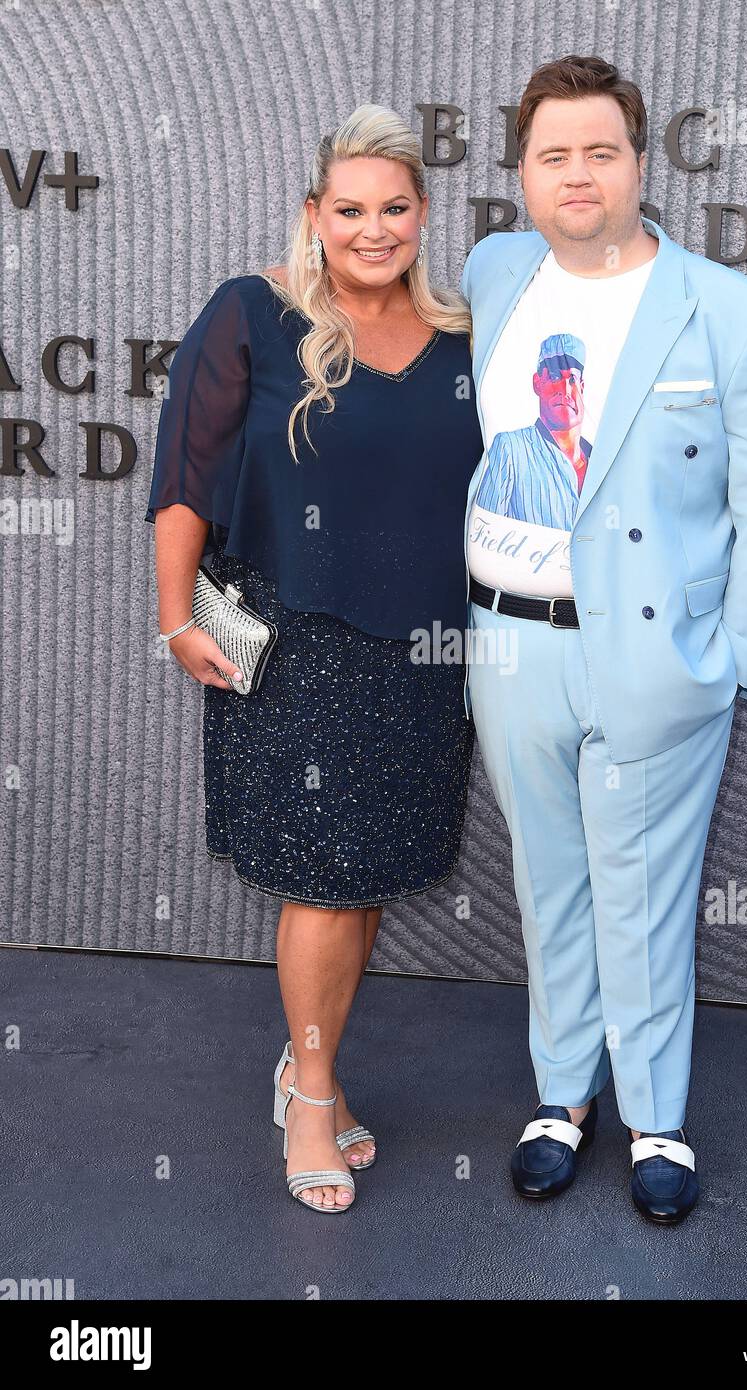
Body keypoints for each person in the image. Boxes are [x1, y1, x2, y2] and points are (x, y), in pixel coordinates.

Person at [459, 55, 747, 1223]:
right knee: (547, 882)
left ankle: (655, 1117)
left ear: (639, 161)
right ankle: (561, 1098)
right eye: (553, 153)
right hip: (509, 652)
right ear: (522, 170)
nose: (577, 173)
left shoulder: (733, 313)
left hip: (651, 659)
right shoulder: (495, 270)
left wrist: (732, 658)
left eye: (599, 150)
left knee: (646, 894)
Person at [145, 105, 483, 1215]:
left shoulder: (466, 337)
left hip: (426, 652)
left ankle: (307, 1060)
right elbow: (185, 475)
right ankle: (315, 1093)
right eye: (350, 208)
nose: (373, 228)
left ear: (422, 215)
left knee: (370, 879)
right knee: (322, 887)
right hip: (297, 644)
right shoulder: (253, 311)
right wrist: (173, 615)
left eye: (394, 207)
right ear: (314, 213)